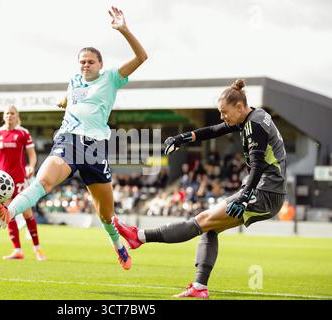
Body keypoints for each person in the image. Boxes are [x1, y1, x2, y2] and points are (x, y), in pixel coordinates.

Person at [0, 6, 147, 270]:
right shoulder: (74, 80)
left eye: (90, 61)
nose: (85, 65)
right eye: (82, 62)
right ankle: (9, 213)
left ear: (100, 65)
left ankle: (118, 246)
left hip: (95, 149)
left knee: (106, 214)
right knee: (43, 182)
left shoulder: (111, 78)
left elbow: (142, 56)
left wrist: (123, 29)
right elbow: (70, 96)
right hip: (69, 140)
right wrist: (63, 100)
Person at [113, 79, 287, 298]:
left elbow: (258, 165)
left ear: (240, 107)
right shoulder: (253, 116)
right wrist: (185, 137)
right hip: (266, 190)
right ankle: (199, 287)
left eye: (225, 112)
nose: (223, 117)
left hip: (265, 191)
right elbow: (215, 130)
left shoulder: (255, 124)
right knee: (209, 227)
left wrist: (245, 196)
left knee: (201, 220)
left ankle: (138, 236)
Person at [0, 105, 45, 261]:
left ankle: (37, 249)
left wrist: (31, 167)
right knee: (7, 213)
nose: (9, 116)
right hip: (1, 182)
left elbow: (32, 155)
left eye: (12, 113)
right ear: (3, 116)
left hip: (19, 179)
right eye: (7, 113)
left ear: (17, 116)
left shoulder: (23, 133)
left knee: (27, 213)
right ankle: (17, 250)